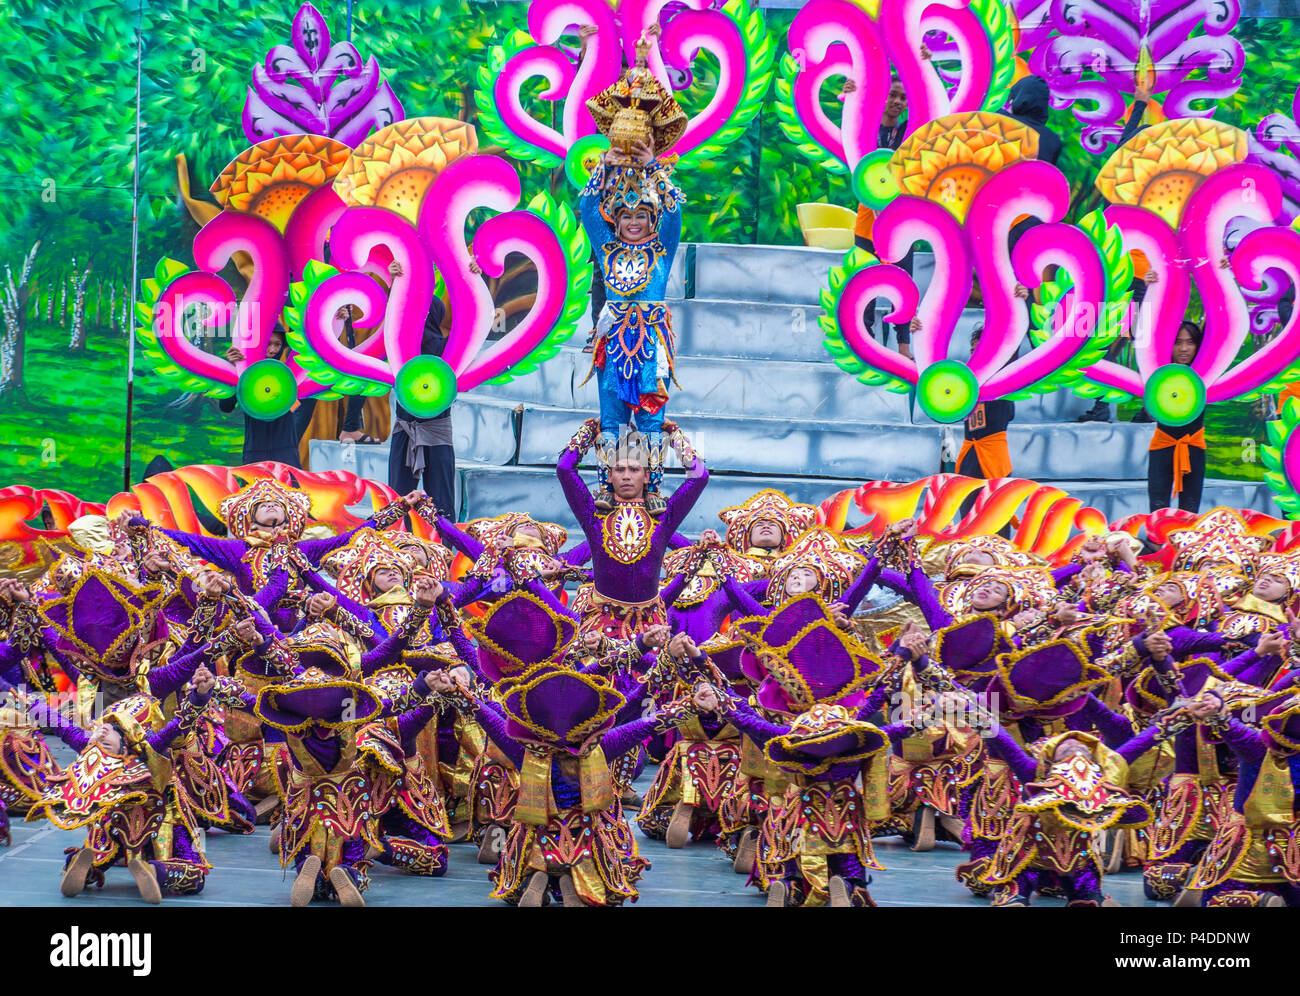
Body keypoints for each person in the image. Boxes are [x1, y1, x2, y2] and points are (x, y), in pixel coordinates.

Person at [844, 69, 920, 359]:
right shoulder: (866, 130)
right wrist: (850, 95)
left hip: (901, 219)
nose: (898, 102)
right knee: (865, 276)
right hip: (867, 218)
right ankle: (864, 338)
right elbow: (850, 126)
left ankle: (903, 345)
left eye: (903, 98)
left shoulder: (910, 133)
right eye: (893, 95)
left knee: (903, 279)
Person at [386, 260, 457, 519]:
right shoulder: (399, 352)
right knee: (401, 500)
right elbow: (394, 320)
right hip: (406, 428)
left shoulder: (447, 355)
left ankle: (440, 552)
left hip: (435, 431)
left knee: (438, 504)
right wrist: (396, 285)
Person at [220, 327, 302, 468]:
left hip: (286, 451)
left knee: (290, 490)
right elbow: (226, 407)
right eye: (267, 343)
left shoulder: (289, 374)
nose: (272, 349)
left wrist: (337, 319)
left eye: (277, 344)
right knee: (253, 489)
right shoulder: (245, 374)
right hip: (255, 451)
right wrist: (233, 369)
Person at [1147, 321, 1207, 513]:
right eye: (1177, 342)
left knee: (1189, 511)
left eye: (1190, 343)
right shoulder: (1158, 375)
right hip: (1162, 446)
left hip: (1194, 447)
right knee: (1157, 509)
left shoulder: (1206, 375)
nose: (1183, 349)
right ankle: (1157, 544)